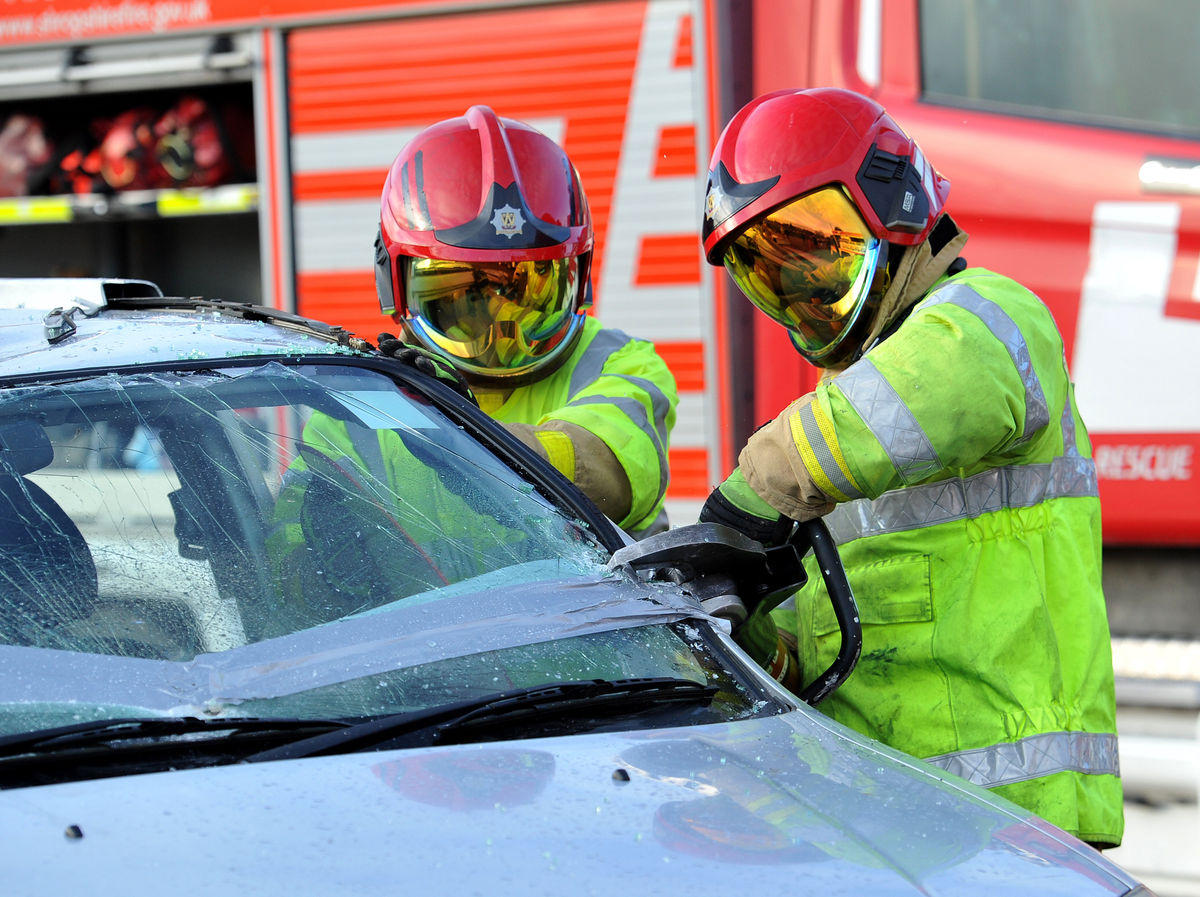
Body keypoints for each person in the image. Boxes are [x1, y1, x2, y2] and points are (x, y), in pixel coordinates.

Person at [696, 86, 1122, 848]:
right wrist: (747, 627)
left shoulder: (987, 320)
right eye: (774, 280)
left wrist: (748, 497)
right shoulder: (842, 417)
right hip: (896, 827)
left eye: (815, 261)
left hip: (1013, 828)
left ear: (892, 209)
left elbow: (925, 386)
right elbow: (820, 643)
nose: (799, 296)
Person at [373, 105, 678, 540]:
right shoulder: (358, 398)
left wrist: (467, 441)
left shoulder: (620, 363)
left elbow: (608, 471)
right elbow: (282, 556)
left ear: (580, 276)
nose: (504, 332)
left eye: (525, 292)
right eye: (470, 297)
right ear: (395, 282)